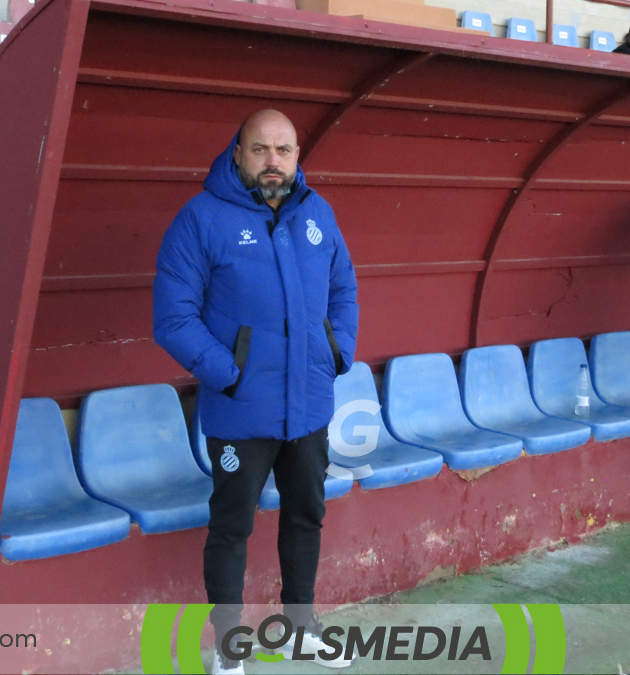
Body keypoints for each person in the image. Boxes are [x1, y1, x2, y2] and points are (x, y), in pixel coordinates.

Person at [152, 109, 359, 675]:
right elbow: (172, 318)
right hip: (241, 410)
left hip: (310, 404)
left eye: (284, 150)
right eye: (261, 150)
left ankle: (301, 632)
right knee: (232, 528)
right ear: (238, 152)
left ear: (298, 158)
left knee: (305, 516)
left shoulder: (318, 213)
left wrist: (337, 351)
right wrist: (232, 374)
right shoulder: (200, 218)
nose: (273, 161)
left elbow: (344, 289)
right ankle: (228, 646)